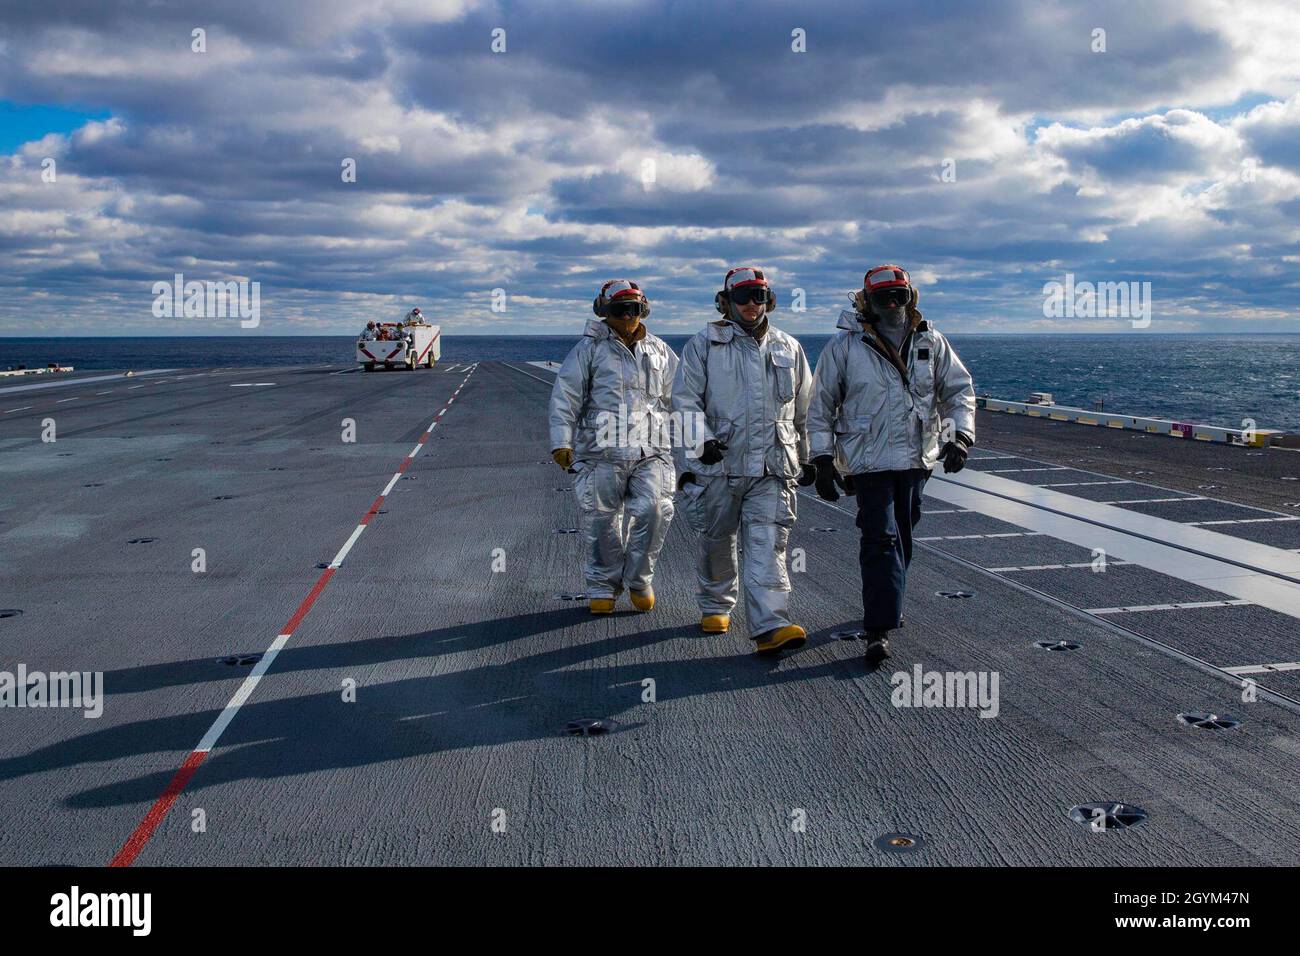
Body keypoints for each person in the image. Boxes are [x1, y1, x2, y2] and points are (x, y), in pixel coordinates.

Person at [807, 264, 975, 663]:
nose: (894, 303)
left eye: (900, 295)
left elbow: (957, 390)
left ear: (910, 296)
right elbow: (820, 406)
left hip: (917, 458)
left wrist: (960, 437)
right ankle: (878, 629)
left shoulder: (931, 341)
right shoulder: (845, 347)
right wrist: (823, 459)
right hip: (868, 460)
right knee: (880, 537)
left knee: (902, 534)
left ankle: (889, 602)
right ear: (868, 301)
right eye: (884, 297)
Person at [672, 267, 813, 656]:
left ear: (769, 300)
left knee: (769, 544)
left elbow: (804, 409)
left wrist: (810, 454)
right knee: (718, 540)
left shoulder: (789, 348)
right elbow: (683, 400)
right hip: (719, 465)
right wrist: (702, 442)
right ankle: (716, 604)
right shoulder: (703, 345)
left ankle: (771, 625)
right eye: (743, 296)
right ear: (726, 302)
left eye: (759, 295)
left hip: (772, 467)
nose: (752, 303)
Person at [549, 280, 678, 614]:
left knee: (656, 510)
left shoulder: (661, 351)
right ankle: (603, 586)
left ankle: (639, 578)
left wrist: (702, 438)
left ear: (643, 309)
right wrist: (561, 442)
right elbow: (566, 397)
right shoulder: (587, 351)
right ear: (604, 311)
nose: (627, 316)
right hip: (599, 452)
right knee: (601, 522)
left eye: (634, 308)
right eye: (620, 309)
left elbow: (680, 397)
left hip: (651, 451)